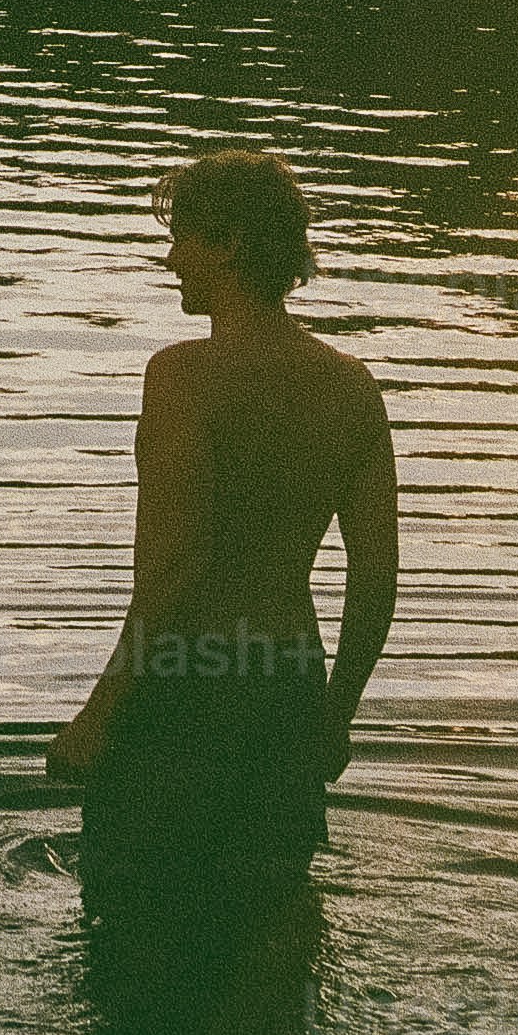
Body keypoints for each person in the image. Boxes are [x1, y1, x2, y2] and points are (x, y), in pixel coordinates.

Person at [47, 145, 396, 898]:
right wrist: (336, 716)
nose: (171, 258)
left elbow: (177, 565)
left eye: (183, 237)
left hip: (184, 686)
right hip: (284, 684)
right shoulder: (351, 387)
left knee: (133, 937)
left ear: (228, 242)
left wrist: (99, 714)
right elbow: (374, 579)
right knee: (271, 931)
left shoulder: (182, 376)